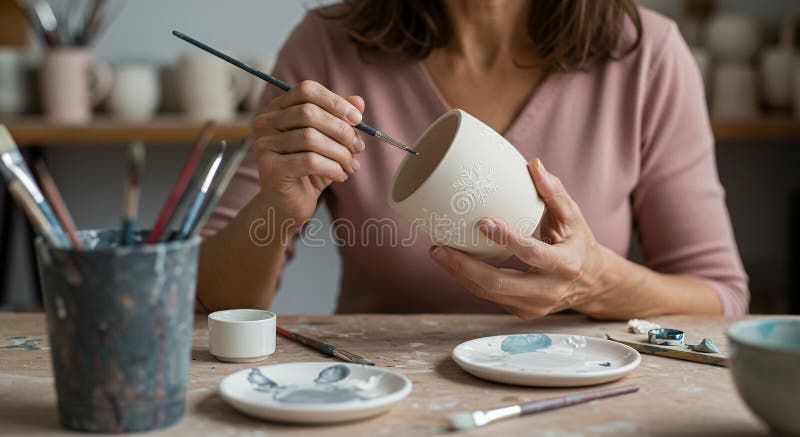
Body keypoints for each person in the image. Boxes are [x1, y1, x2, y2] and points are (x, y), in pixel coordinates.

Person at [198, 0, 749, 319]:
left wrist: (598, 280)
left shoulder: (645, 53)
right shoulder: (329, 46)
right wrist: (277, 206)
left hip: (586, 397)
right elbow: (210, 299)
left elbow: (722, 297)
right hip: (382, 398)